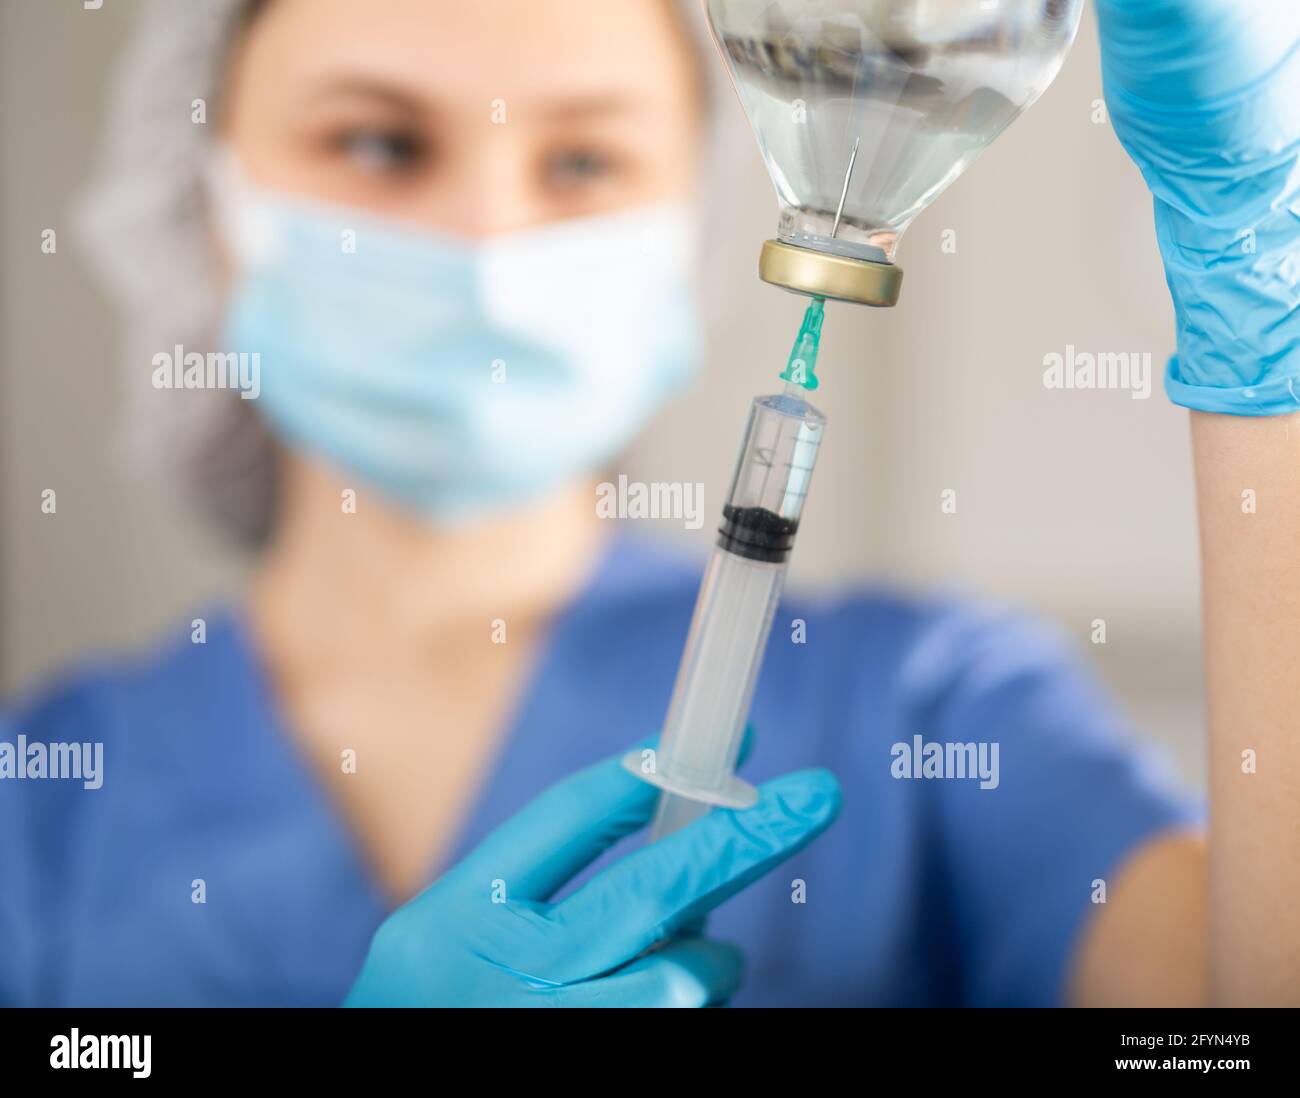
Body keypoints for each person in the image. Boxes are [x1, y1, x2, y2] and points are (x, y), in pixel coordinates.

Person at [0, 0, 1295, 1007]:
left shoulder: (929, 710)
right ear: (202, 205)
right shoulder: (40, 810)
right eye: (380, 142)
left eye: (582, 158)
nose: (489, 243)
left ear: (688, 218)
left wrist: (1262, 303)